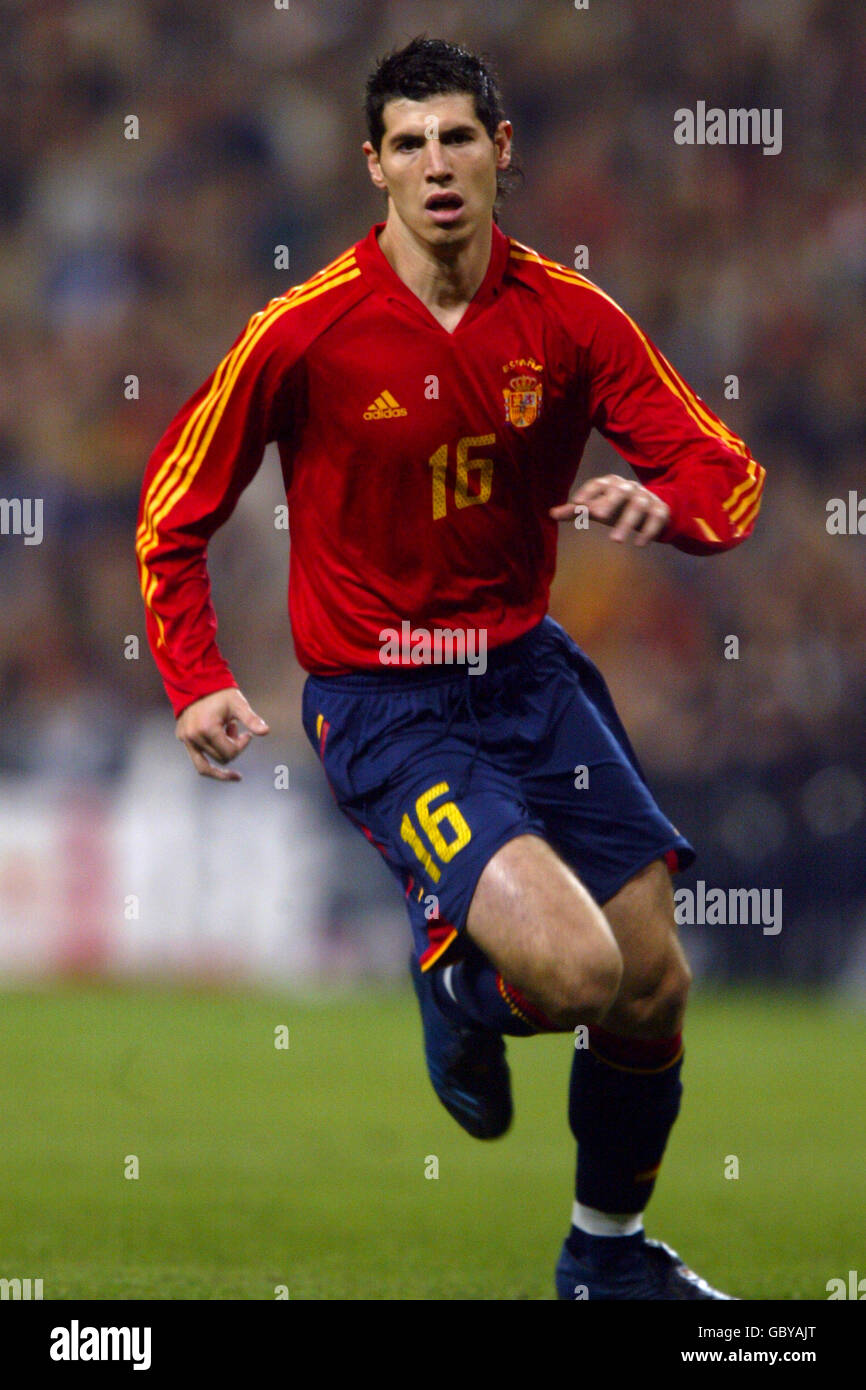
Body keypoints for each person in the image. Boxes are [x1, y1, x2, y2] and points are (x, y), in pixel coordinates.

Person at [136, 38, 764, 1300]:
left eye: (458, 137)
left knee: (650, 985)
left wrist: (668, 508)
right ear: (373, 165)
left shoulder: (570, 318)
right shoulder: (303, 331)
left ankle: (604, 1258)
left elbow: (724, 470)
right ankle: (461, 980)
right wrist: (194, 673)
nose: (436, 163)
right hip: (386, 706)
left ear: (499, 151)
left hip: (530, 680)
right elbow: (171, 505)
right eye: (409, 142)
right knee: (576, 974)